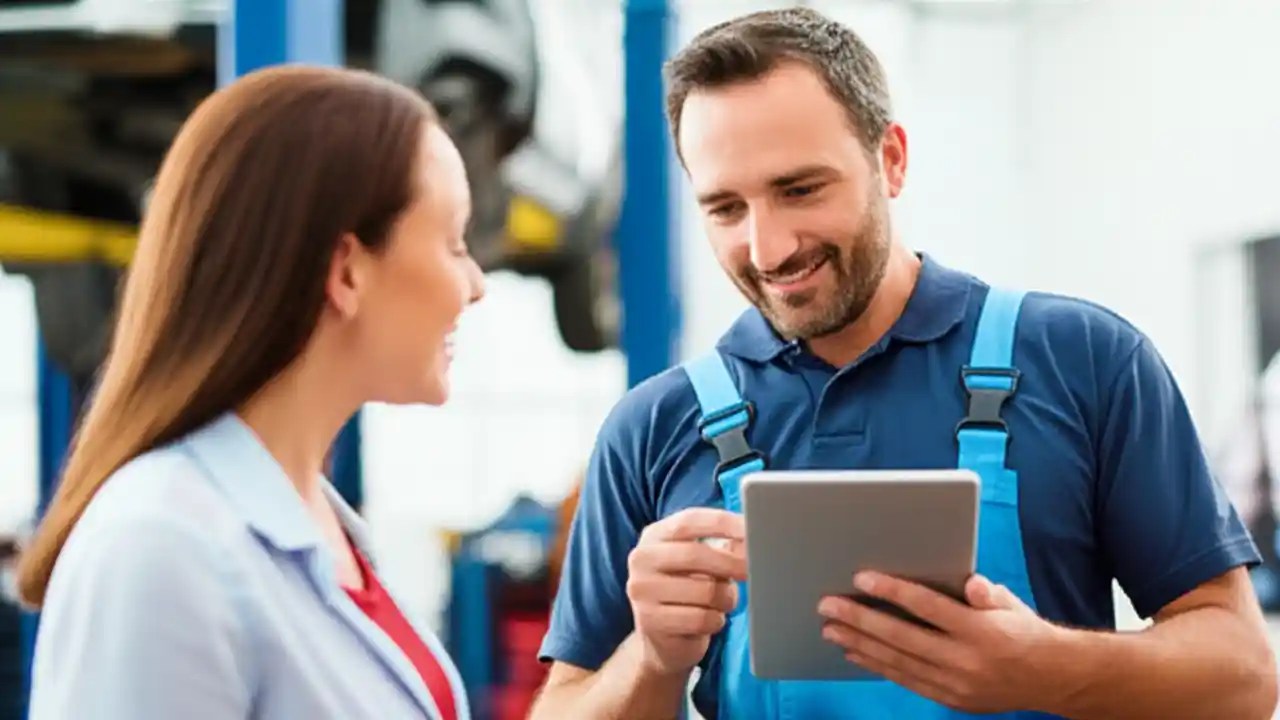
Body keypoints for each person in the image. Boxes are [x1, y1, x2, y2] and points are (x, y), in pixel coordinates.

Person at [531, 8, 1277, 720]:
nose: (768, 248)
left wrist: (1044, 666)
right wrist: (653, 658)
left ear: (890, 160)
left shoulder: (1085, 361)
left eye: (800, 189)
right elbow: (569, 704)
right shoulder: (652, 427)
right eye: (726, 208)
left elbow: (1243, 680)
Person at [14, 64, 484, 719]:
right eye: (455, 243)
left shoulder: (310, 523)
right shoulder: (160, 545)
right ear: (346, 270)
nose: (476, 283)